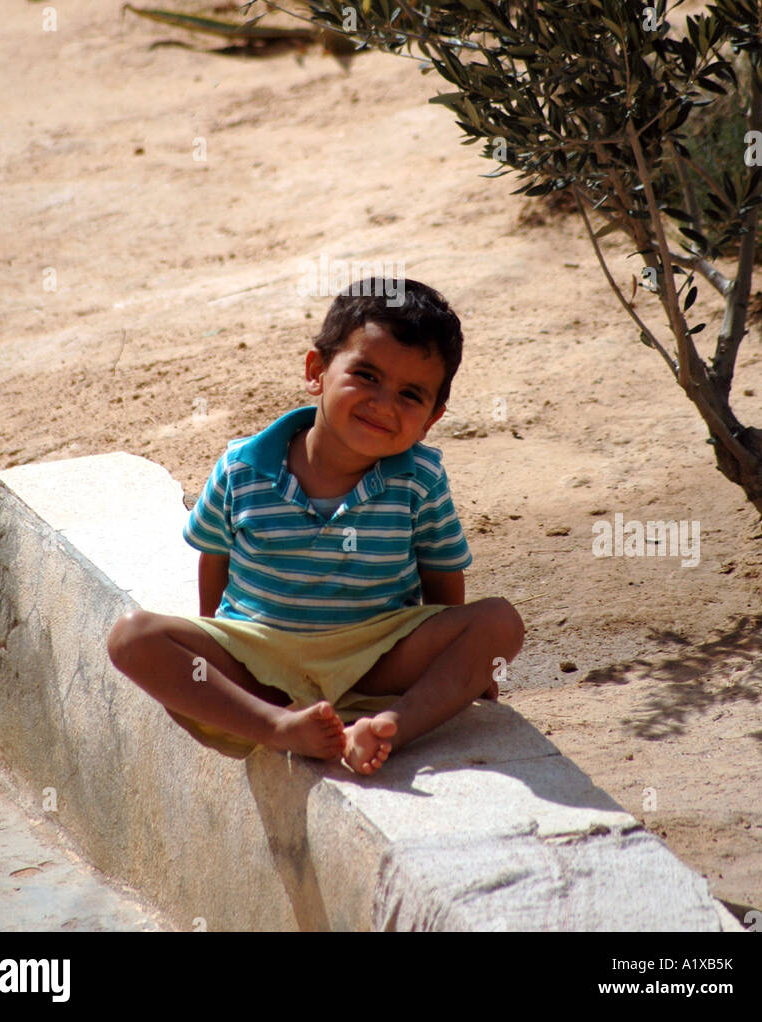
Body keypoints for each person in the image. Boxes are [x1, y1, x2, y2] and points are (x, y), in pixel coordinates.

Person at [107, 278, 524, 775]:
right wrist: (217, 643)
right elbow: (215, 560)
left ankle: (387, 726)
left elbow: (441, 581)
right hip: (260, 657)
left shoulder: (421, 478)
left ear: (432, 417)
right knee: (131, 638)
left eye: (410, 394)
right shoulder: (243, 467)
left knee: (500, 623)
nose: (383, 404)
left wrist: (454, 666)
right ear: (316, 371)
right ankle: (277, 725)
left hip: (376, 660)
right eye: (366, 375)